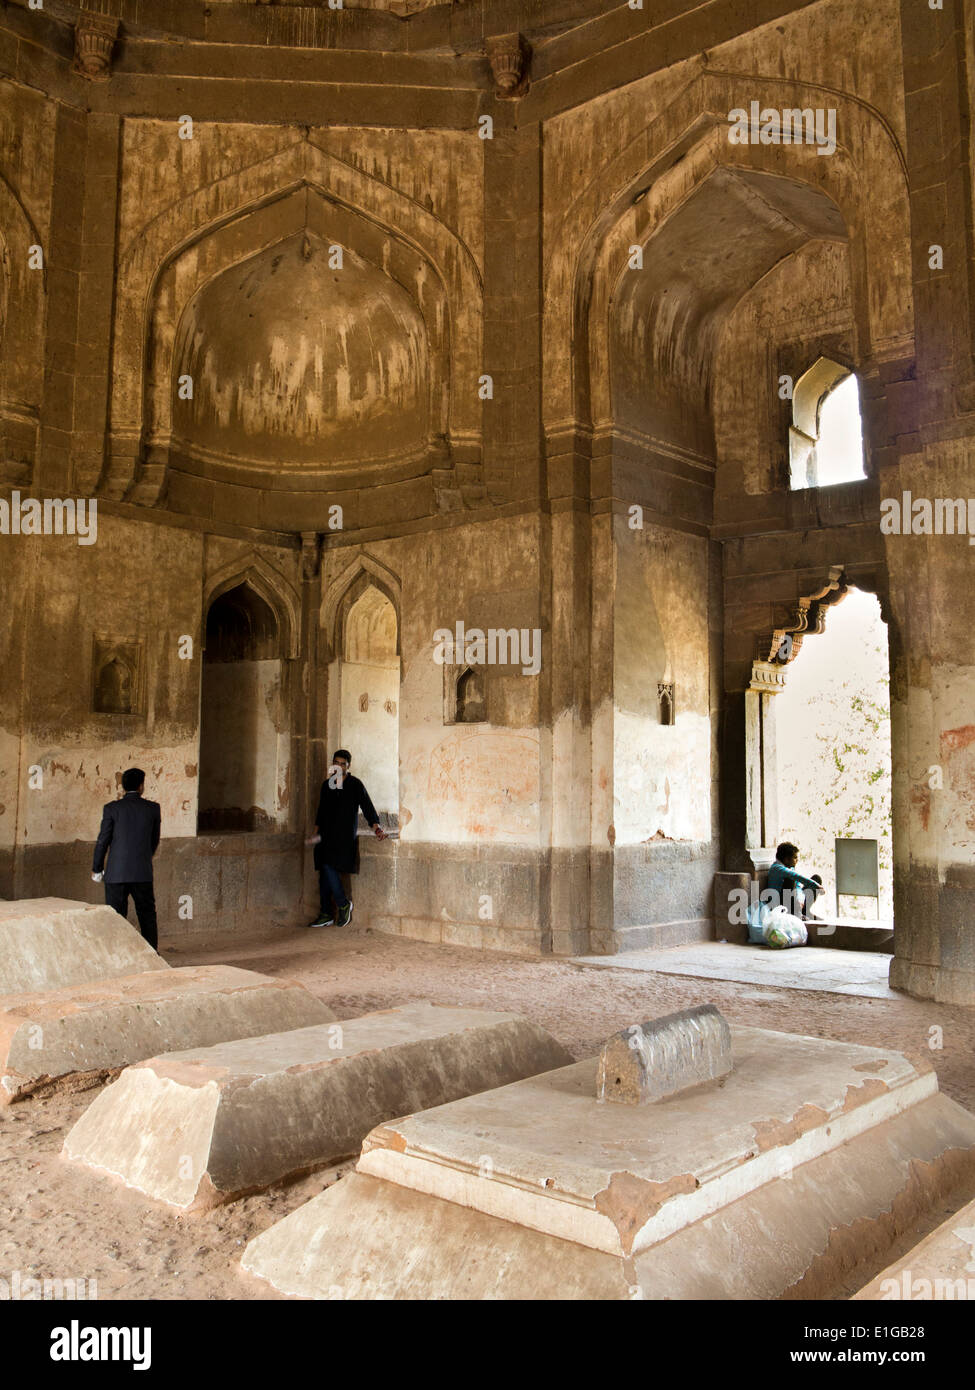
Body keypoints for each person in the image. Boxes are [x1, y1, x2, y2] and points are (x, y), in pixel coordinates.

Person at [306, 749, 386, 927]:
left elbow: (367, 806)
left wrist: (376, 827)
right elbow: (322, 811)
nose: (339, 766)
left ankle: (342, 904)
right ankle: (326, 913)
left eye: (343, 763)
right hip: (325, 835)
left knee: (328, 865)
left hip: (343, 836)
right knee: (324, 873)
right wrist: (315, 832)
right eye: (336, 762)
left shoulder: (355, 784)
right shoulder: (328, 785)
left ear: (349, 766)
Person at [91, 767, 161, 950]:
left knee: (115, 917)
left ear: (122, 786)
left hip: (116, 873)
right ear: (141, 786)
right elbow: (154, 841)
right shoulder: (153, 809)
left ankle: (117, 955)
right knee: (147, 915)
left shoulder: (111, 808)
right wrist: (143, 857)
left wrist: (97, 868)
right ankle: (152, 954)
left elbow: (103, 841)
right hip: (142, 872)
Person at [767, 842, 823, 921]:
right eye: (795, 858)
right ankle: (797, 914)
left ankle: (804, 912)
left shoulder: (789, 867)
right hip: (780, 905)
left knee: (816, 878)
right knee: (790, 879)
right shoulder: (777, 868)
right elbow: (796, 877)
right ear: (786, 859)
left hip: (795, 903)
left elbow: (797, 886)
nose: (797, 860)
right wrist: (816, 886)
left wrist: (800, 899)